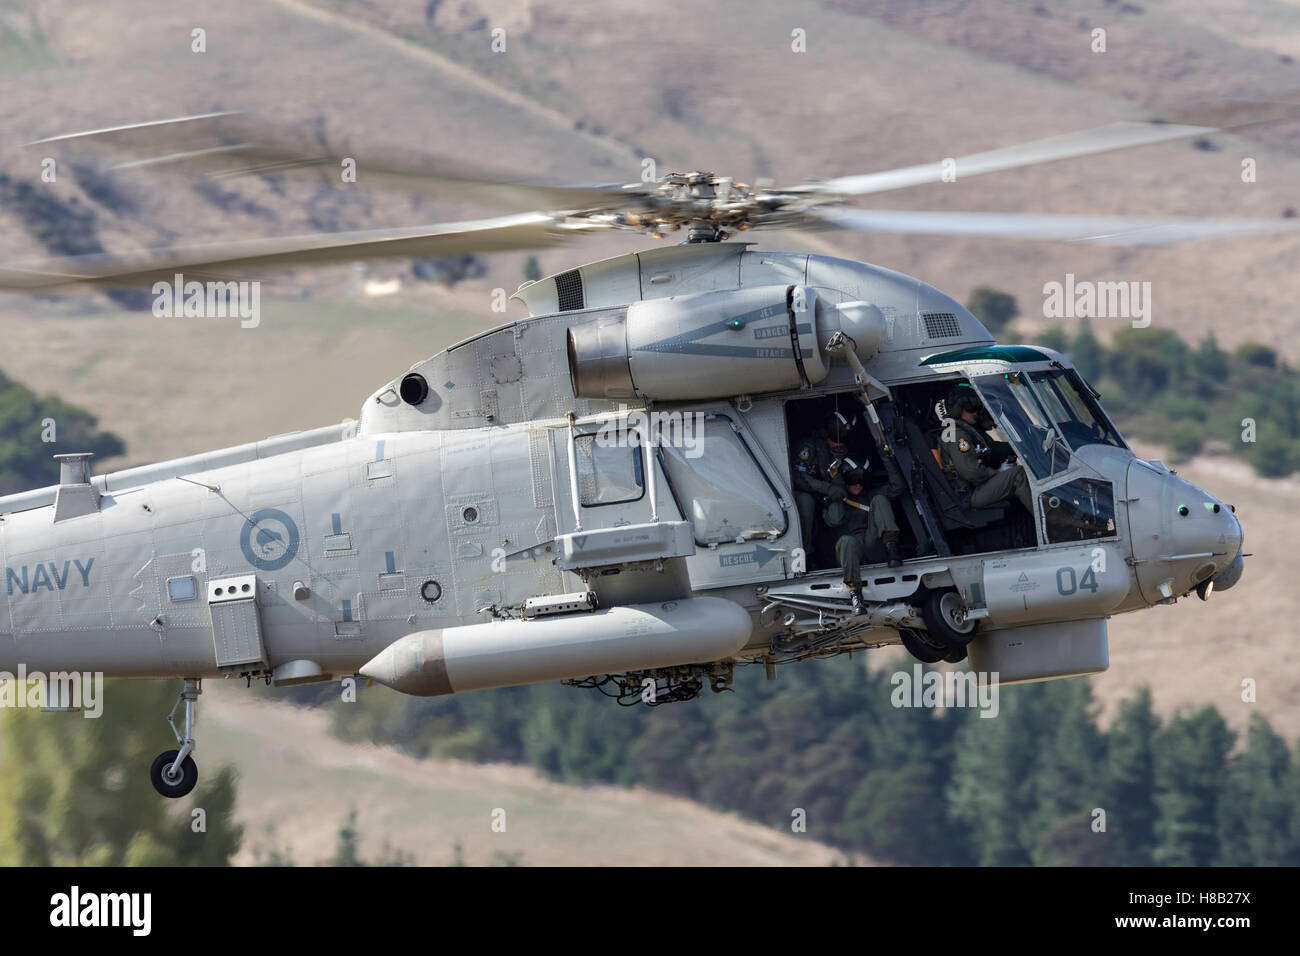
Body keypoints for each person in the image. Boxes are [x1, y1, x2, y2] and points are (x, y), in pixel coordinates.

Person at [824, 458, 906, 613]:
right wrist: (838, 490)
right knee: (846, 541)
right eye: (853, 480)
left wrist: (885, 456)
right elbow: (835, 520)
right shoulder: (837, 502)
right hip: (851, 552)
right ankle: (855, 593)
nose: (857, 484)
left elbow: (897, 487)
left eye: (861, 480)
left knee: (880, 499)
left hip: (873, 544)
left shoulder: (871, 496)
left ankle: (892, 548)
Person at [941, 383, 1032, 513]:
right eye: (971, 407)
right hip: (969, 495)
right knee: (1018, 475)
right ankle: (1055, 523)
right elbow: (971, 472)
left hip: (976, 487)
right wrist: (998, 472)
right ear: (958, 409)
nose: (976, 412)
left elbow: (989, 450)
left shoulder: (966, 430)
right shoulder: (956, 435)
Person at [791, 411, 856, 556]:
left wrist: (837, 489)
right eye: (836, 436)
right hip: (806, 494)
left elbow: (834, 473)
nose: (839, 443)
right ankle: (804, 551)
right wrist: (828, 489)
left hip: (823, 498)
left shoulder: (829, 452)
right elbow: (798, 478)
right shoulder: (807, 447)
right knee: (806, 502)